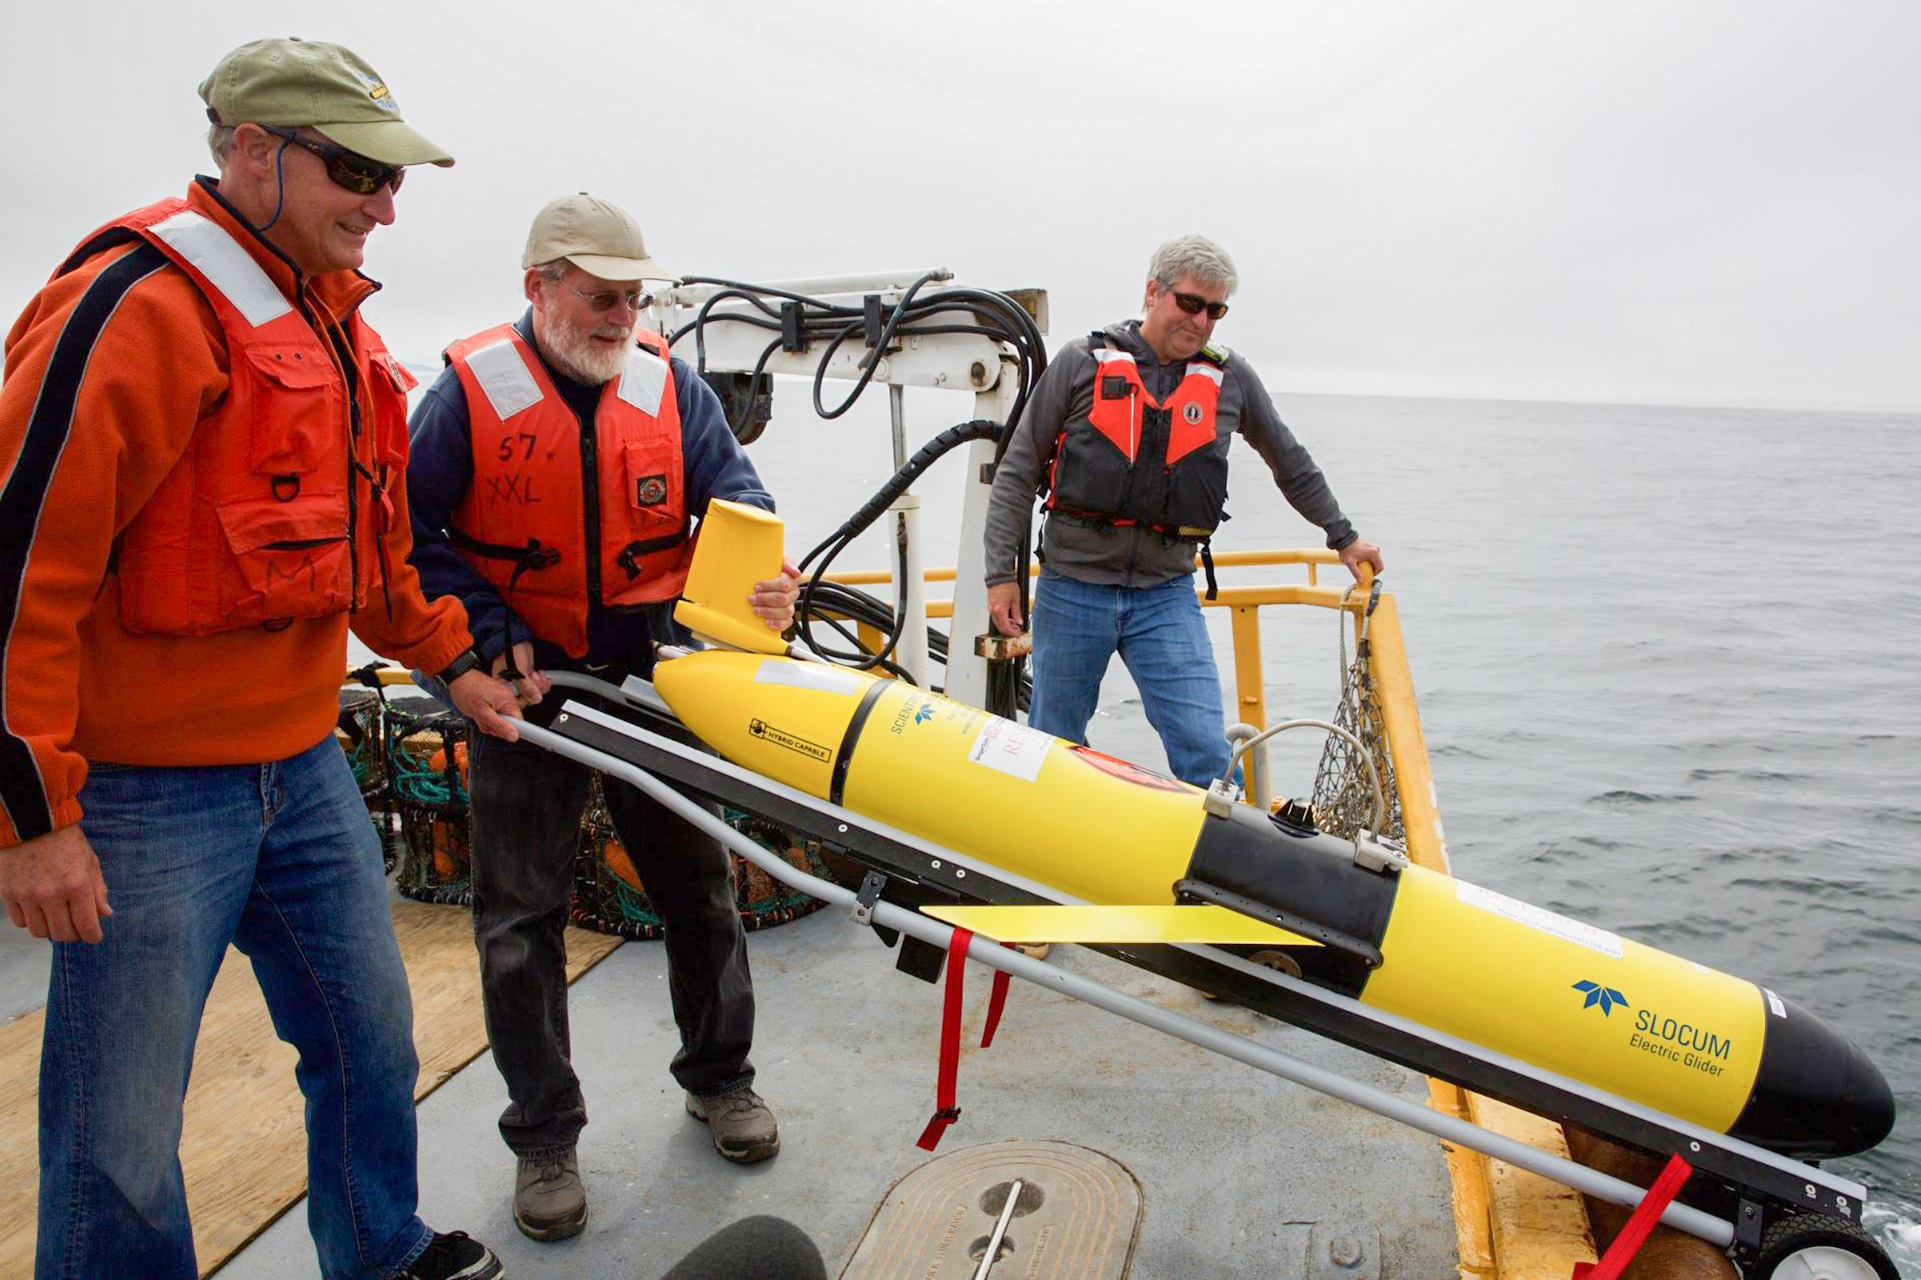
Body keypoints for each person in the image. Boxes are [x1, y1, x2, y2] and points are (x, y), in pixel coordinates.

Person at [0, 38, 520, 1280]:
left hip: (303, 762)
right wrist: (33, 818)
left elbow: (373, 557)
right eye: (355, 170)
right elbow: (18, 568)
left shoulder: (333, 328)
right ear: (250, 153)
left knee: (370, 1037)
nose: (384, 204)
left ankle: (380, 1248)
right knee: (118, 1125)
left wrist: (453, 663)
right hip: (138, 797)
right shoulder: (131, 307)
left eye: (393, 179)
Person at [406, 193, 800, 1244]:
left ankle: (721, 1079)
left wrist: (766, 579)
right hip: (528, 694)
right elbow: (412, 531)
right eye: (597, 296)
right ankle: (543, 1134)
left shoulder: (672, 388)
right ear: (538, 288)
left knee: (699, 892)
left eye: (631, 296)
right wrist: (483, 630)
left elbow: (737, 502)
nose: (619, 314)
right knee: (517, 923)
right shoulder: (463, 396)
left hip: (650, 677)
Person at [984, 234, 1384, 788]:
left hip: (1165, 593)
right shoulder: (1081, 362)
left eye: (1215, 311)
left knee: (1205, 754)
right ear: (1153, 292)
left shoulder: (1231, 379)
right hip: (1072, 586)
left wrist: (1343, 536)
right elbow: (1018, 467)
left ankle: (1221, 866)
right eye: (1190, 303)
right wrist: (1001, 574)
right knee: (1055, 742)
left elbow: (1288, 460)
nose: (1201, 322)